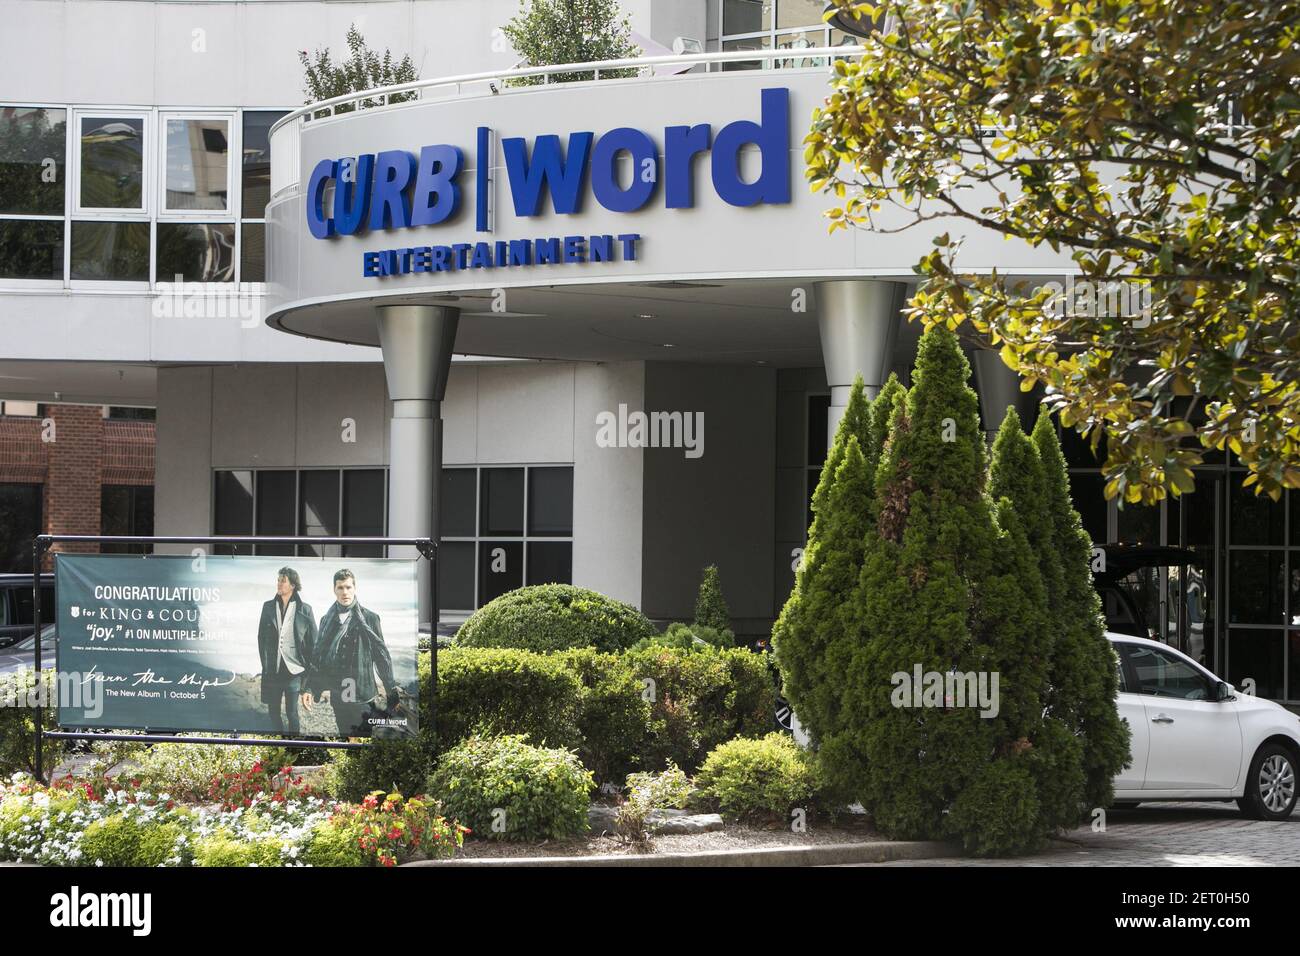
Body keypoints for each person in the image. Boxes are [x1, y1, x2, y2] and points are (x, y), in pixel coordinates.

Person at [303, 568, 398, 736]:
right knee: (345, 738)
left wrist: (391, 690)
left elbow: (381, 656)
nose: (344, 592)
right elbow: (319, 656)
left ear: (354, 588)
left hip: (362, 693)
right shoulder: (327, 620)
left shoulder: (370, 618)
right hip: (338, 693)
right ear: (334, 590)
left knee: (363, 741)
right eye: (340, 588)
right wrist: (310, 688)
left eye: (348, 587)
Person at [257, 567, 317, 735]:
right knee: (273, 713)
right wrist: (266, 665)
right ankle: (279, 747)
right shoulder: (268, 607)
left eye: (282, 581)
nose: (279, 583)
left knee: (292, 713)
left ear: (292, 585)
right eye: (278, 580)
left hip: (294, 672)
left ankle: (293, 749)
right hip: (273, 672)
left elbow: (314, 646)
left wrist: (309, 683)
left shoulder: (305, 610)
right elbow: (261, 638)